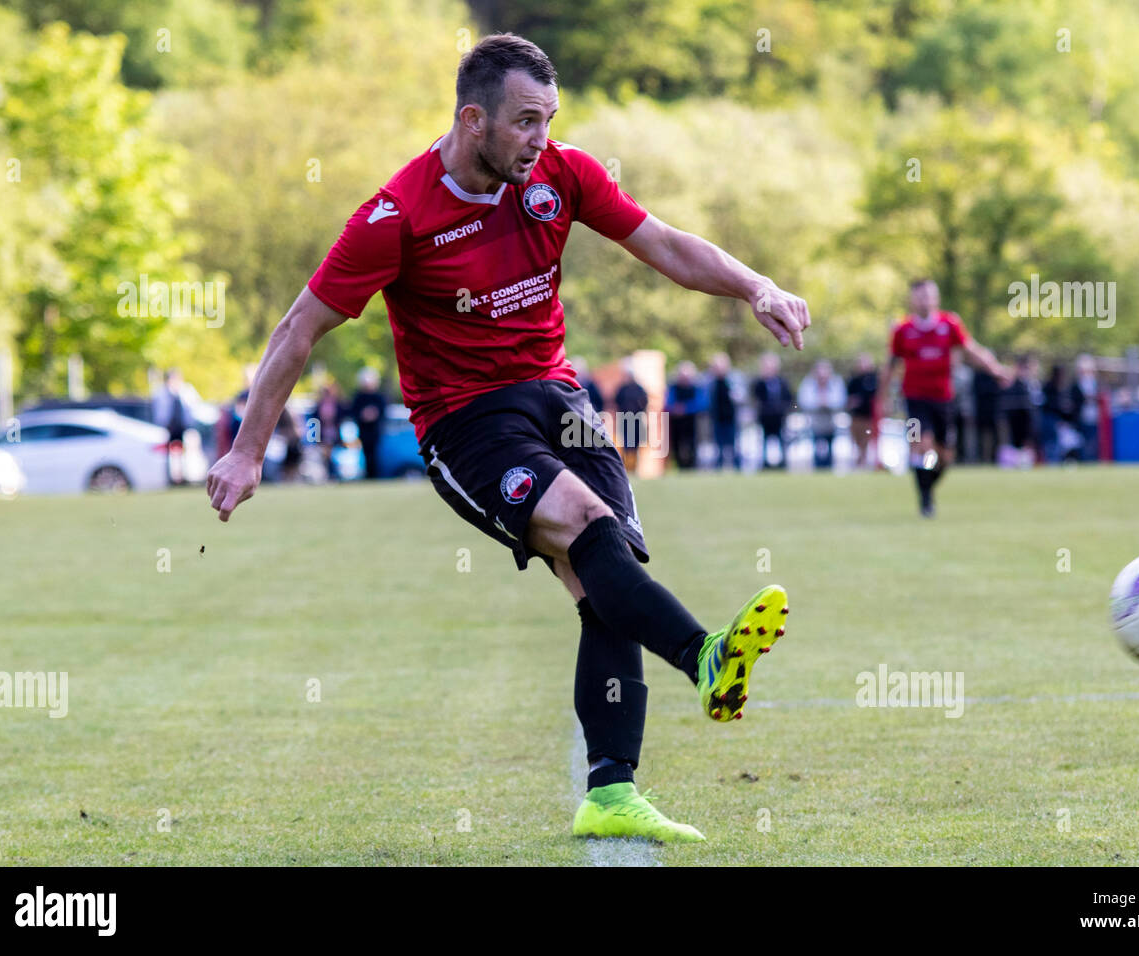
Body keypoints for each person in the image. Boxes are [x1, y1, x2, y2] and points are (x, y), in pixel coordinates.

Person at [205, 34, 810, 844]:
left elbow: (663, 244)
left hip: (557, 398)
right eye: (526, 122)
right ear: (472, 118)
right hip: (465, 421)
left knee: (607, 579)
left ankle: (611, 791)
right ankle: (705, 656)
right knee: (588, 530)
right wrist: (246, 450)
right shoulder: (395, 217)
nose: (541, 138)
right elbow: (296, 330)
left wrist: (755, 285)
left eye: (549, 120)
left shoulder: (562, 175)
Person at [879, 278, 1011, 516]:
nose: (925, 300)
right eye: (920, 296)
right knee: (920, 445)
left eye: (929, 295)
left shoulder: (949, 324)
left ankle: (928, 487)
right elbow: (890, 365)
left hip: (943, 399)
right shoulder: (902, 330)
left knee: (946, 455)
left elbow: (971, 350)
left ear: (936, 298)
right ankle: (926, 500)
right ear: (912, 300)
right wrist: (882, 398)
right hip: (914, 399)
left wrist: (996, 370)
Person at [151, 368, 200, 486]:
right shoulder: (161, 393)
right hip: (169, 428)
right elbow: (158, 412)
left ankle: (187, 477)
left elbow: (195, 407)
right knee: (169, 455)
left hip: (186, 427)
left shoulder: (187, 391)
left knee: (188, 452)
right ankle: (171, 479)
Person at [797, 359, 845, 469]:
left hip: (831, 423)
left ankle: (830, 467)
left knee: (831, 446)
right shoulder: (808, 384)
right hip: (815, 423)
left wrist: (828, 403)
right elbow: (804, 402)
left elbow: (841, 401)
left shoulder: (836, 383)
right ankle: (816, 467)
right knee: (816, 446)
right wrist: (818, 404)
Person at [752, 352, 794, 469]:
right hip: (765, 417)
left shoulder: (783, 382)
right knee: (764, 441)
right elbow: (755, 399)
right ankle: (765, 463)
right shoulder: (759, 383)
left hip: (780, 417)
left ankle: (783, 463)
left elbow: (791, 399)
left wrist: (790, 408)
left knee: (782, 440)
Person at [666, 361, 706, 471]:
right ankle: (680, 466)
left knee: (692, 444)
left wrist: (685, 409)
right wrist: (675, 409)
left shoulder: (696, 387)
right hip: (676, 421)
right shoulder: (673, 387)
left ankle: (692, 466)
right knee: (677, 445)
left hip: (692, 421)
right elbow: (668, 403)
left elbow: (701, 403)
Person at [613, 360, 649, 472]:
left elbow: (645, 402)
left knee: (636, 443)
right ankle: (626, 466)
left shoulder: (639, 388)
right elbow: (617, 401)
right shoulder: (622, 388)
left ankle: (635, 466)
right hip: (624, 419)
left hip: (636, 419)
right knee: (625, 443)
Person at [844, 353, 879, 470]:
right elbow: (848, 398)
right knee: (857, 440)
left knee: (866, 440)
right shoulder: (853, 380)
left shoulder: (874, 379)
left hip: (869, 417)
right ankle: (859, 461)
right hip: (856, 416)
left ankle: (865, 461)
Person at [351, 367, 387, 479]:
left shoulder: (379, 397)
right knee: (366, 454)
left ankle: (376, 475)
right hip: (363, 432)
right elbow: (354, 413)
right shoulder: (358, 397)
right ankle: (368, 475)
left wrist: (373, 414)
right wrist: (364, 415)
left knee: (376, 454)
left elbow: (382, 412)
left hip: (376, 432)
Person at [707, 353, 740, 470]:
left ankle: (737, 467)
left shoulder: (734, 379)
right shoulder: (710, 381)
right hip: (717, 418)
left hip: (732, 418)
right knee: (718, 446)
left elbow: (741, 396)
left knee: (734, 445)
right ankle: (719, 467)